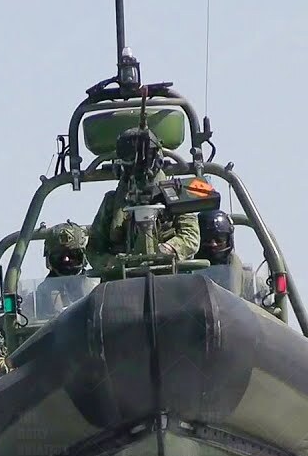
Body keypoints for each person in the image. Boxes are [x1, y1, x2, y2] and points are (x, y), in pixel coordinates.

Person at [87, 127, 199, 271]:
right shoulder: (112, 201)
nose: (138, 168)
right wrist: (109, 262)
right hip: (121, 280)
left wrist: (169, 248)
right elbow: (94, 248)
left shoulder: (177, 194)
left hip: (173, 275)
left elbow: (191, 236)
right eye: (130, 161)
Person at [36, 221, 94, 318]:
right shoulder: (39, 296)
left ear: (84, 256)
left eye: (73, 255)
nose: (66, 260)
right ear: (49, 259)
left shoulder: (97, 287)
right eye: (59, 256)